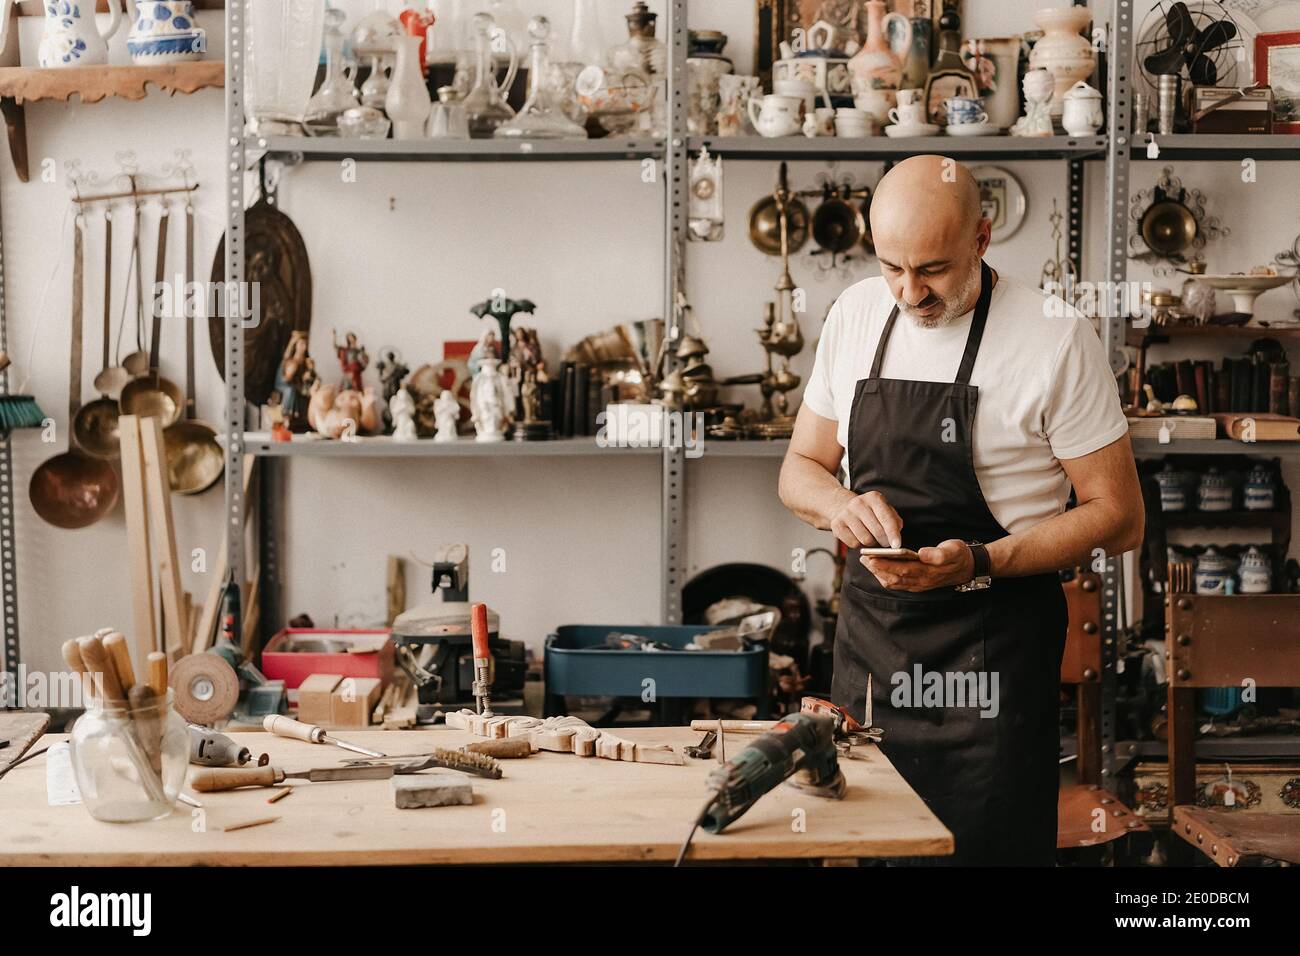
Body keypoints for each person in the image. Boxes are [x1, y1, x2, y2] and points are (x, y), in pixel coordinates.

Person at [778, 155, 1144, 865]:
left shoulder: (1055, 337)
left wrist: (980, 560)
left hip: (994, 660)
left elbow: (1121, 516)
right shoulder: (855, 314)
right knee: (869, 848)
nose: (910, 293)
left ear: (981, 237)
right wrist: (840, 507)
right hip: (873, 655)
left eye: (934, 270)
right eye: (892, 267)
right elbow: (800, 470)